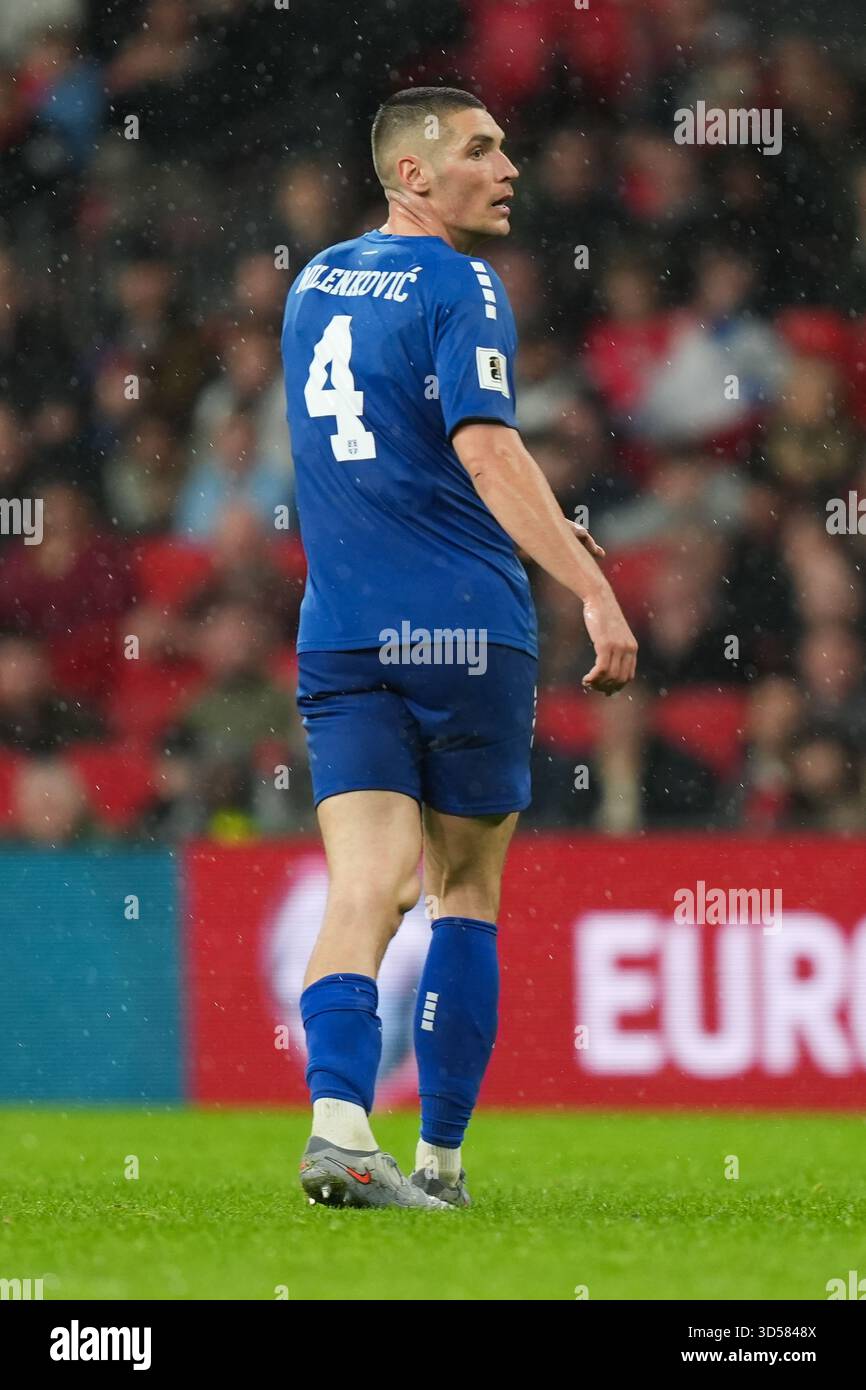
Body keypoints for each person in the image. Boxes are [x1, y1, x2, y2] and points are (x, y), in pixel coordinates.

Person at [281, 86, 637, 1210]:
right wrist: (591, 586)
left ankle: (339, 1125)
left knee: (362, 888)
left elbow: (396, 449)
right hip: (463, 628)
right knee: (464, 891)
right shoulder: (460, 281)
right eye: (480, 149)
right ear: (414, 176)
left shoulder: (314, 279)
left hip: (339, 631)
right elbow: (484, 452)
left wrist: (505, 503)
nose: (508, 165)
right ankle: (436, 1160)